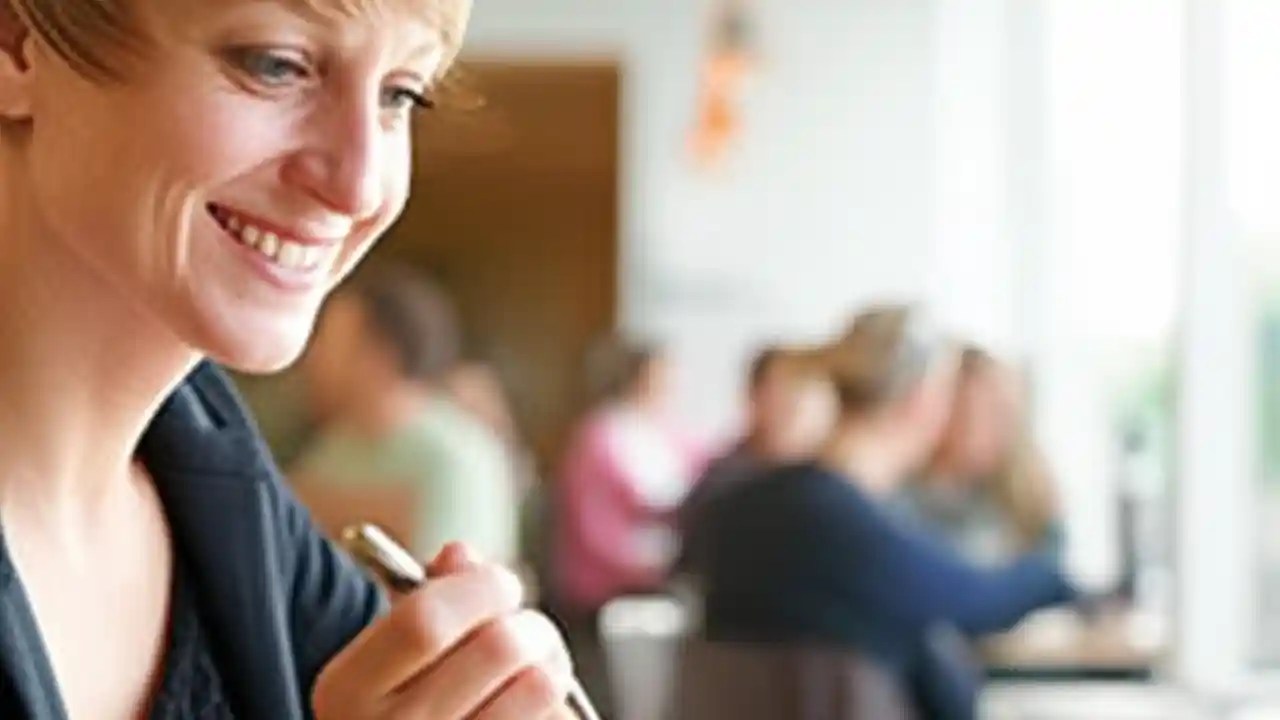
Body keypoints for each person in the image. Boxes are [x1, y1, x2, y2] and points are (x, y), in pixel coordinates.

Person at [0, 0, 577, 717]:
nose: (359, 186)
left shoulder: (238, 509)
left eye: (401, 94)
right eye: (277, 66)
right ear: (18, 42)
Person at [697, 306, 1076, 720]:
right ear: (923, 400)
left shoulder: (743, 503)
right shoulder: (839, 520)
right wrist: (1055, 571)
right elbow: (976, 602)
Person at [294, 263, 520, 566]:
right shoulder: (335, 445)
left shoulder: (460, 455)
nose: (313, 359)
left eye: (331, 341)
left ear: (380, 355)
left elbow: (434, 587)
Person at [552, 338, 702, 714]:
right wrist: (649, 564)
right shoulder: (599, 438)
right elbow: (592, 529)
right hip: (604, 598)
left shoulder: (675, 436)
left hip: (660, 592)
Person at [676, 345, 834, 576]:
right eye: (788, 401)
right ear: (754, 397)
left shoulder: (822, 481)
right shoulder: (727, 485)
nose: (799, 413)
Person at [899, 347, 1063, 566]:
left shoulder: (1026, 494)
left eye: (1003, 415)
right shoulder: (902, 497)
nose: (991, 430)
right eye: (971, 413)